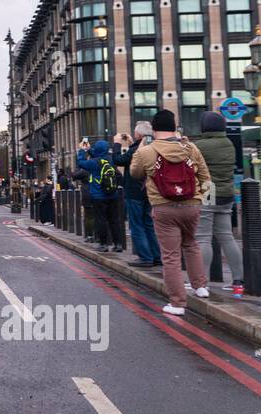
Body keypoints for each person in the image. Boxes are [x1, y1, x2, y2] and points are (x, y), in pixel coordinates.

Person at [128, 109, 212, 316]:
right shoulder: (191, 148)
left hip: (163, 207)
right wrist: (202, 200)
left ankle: (177, 303)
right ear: (174, 126)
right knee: (191, 243)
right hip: (192, 204)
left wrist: (142, 149)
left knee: (171, 255)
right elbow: (205, 176)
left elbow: (134, 173)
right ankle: (200, 287)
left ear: (154, 130)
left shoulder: (146, 151)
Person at [191, 111, 245, 296]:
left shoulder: (200, 146)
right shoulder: (228, 143)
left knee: (203, 237)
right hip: (227, 192)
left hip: (208, 189)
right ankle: (238, 279)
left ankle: (201, 282)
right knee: (227, 237)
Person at [113, 123, 160, 268]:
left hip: (135, 192)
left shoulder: (135, 151)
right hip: (150, 192)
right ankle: (156, 256)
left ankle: (145, 257)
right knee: (149, 224)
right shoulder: (153, 147)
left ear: (138, 135)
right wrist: (131, 143)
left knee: (137, 225)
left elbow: (117, 160)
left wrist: (116, 144)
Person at [77, 138, 123, 252]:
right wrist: (89, 149)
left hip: (98, 196)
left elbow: (81, 163)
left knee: (101, 219)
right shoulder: (111, 159)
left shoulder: (94, 163)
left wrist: (82, 151)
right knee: (114, 220)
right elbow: (98, 154)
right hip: (113, 194)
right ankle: (118, 244)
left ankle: (103, 244)